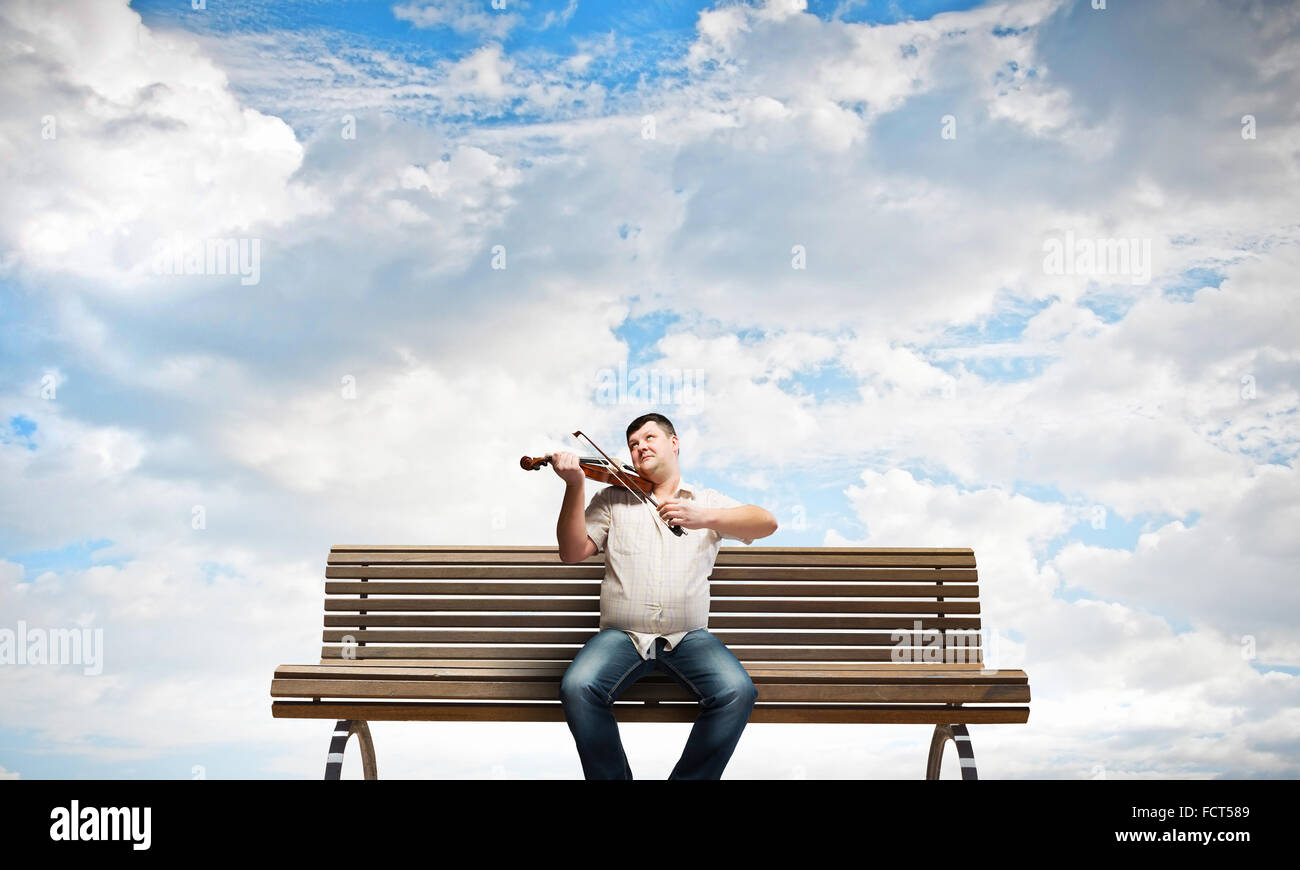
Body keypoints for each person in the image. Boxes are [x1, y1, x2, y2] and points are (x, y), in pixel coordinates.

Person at [552, 412, 779, 779]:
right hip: (623, 636)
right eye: (633, 444)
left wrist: (705, 517)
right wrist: (575, 486)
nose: (640, 447)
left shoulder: (705, 501)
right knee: (578, 687)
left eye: (649, 438)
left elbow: (766, 522)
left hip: (688, 637)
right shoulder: (612, 498)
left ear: (674, 443)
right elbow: (571, 552)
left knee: (738, 691)